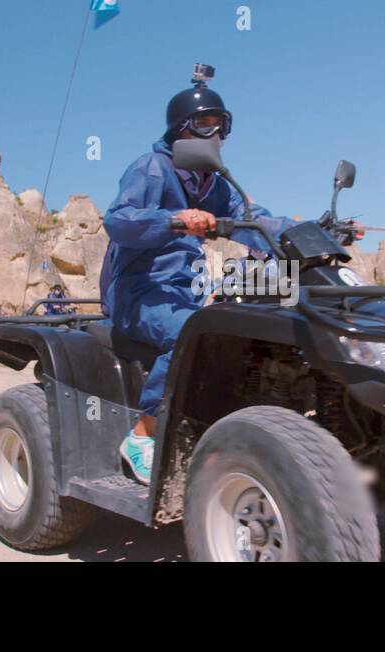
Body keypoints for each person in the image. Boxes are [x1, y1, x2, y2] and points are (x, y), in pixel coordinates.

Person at [102, 67, 294, 484]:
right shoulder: (153, 168)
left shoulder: (214, 183)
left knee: (255, 319)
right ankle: (142, 436)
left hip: (184, 290)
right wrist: (175, 220)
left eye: (221, 125)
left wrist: (304, 230)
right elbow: (119, 220)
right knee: (192, 330)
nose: (215, 133)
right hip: (139, 291)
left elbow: (251, 219)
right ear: (180, 130)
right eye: (205, 123)